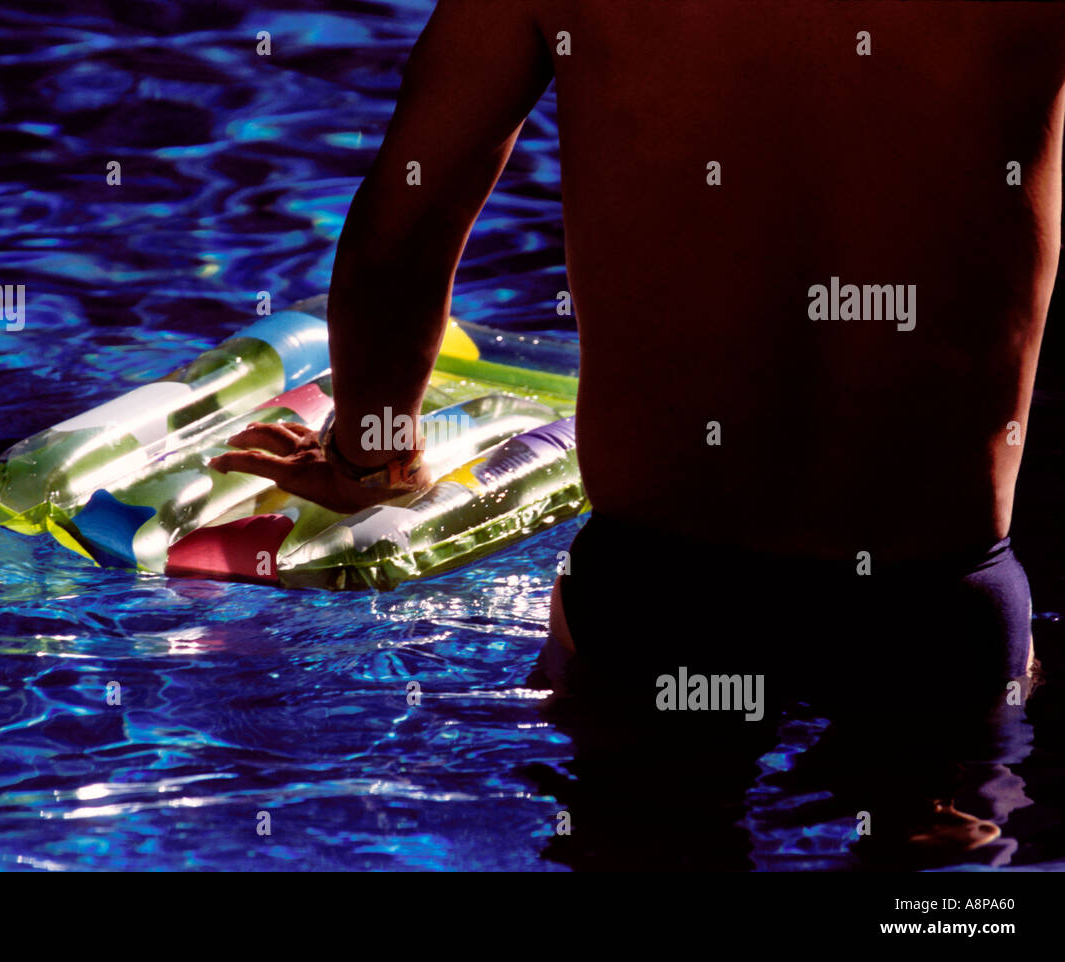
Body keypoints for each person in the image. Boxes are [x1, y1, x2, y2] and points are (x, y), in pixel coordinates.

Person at [212, 1, 1065, 865]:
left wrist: (370, 453)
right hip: (935, 603)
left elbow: (407, 224)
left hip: (664, 594)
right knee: (941, 886)